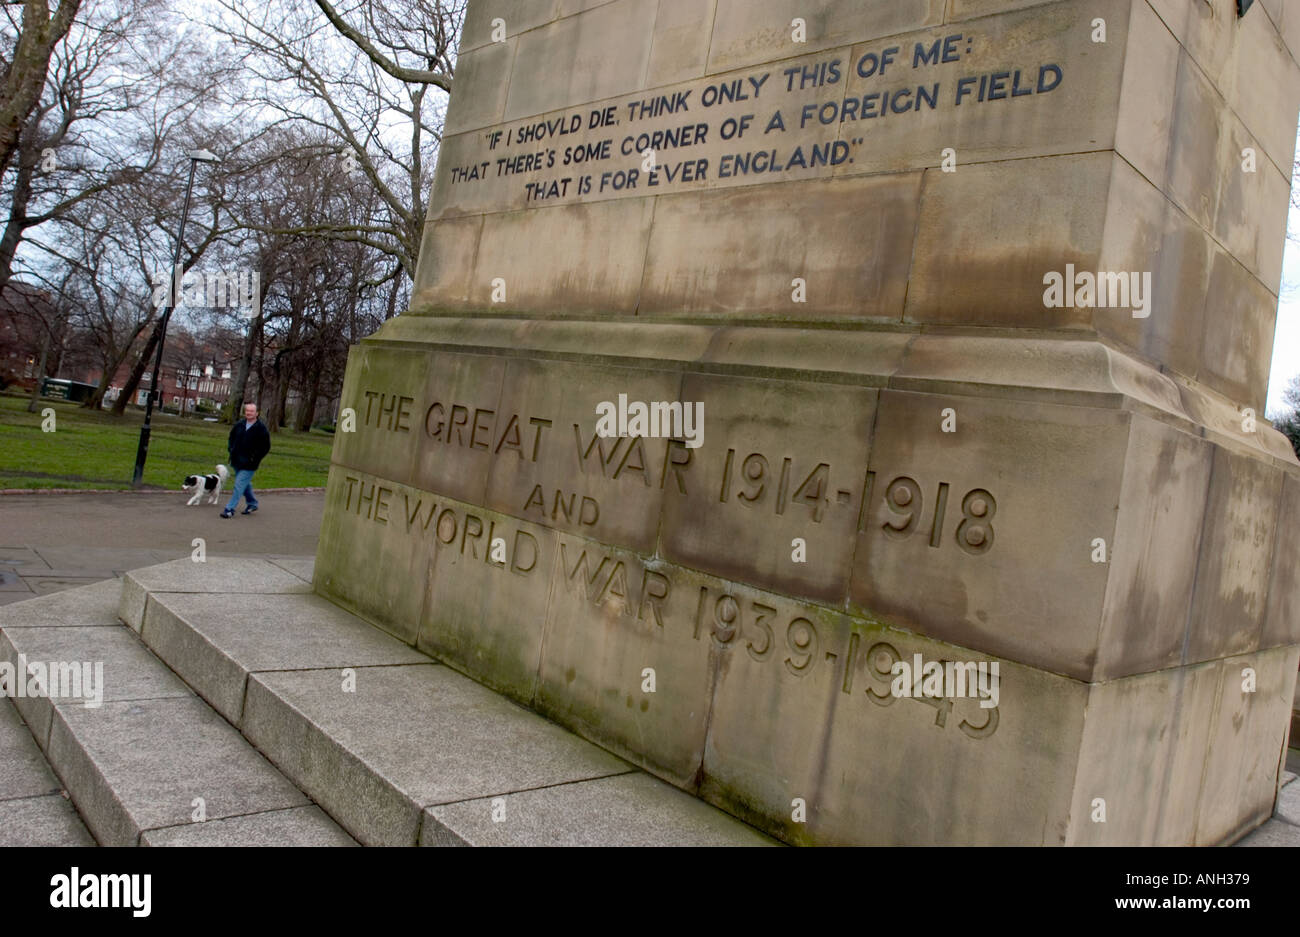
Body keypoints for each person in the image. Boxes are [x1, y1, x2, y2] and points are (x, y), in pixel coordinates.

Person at [221, 402, 271, 518]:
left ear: (256, 413)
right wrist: (231, 449)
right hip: (236, 460)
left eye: (251, 411)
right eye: (247, 411)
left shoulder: (261, 429)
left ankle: (229, 509)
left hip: (250, 464)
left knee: (239, 485)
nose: (249, 413)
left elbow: (266, 447)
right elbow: (231, 438)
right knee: (244, 484)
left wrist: (255, 458)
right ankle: (252, 503)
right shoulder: (239, 425)